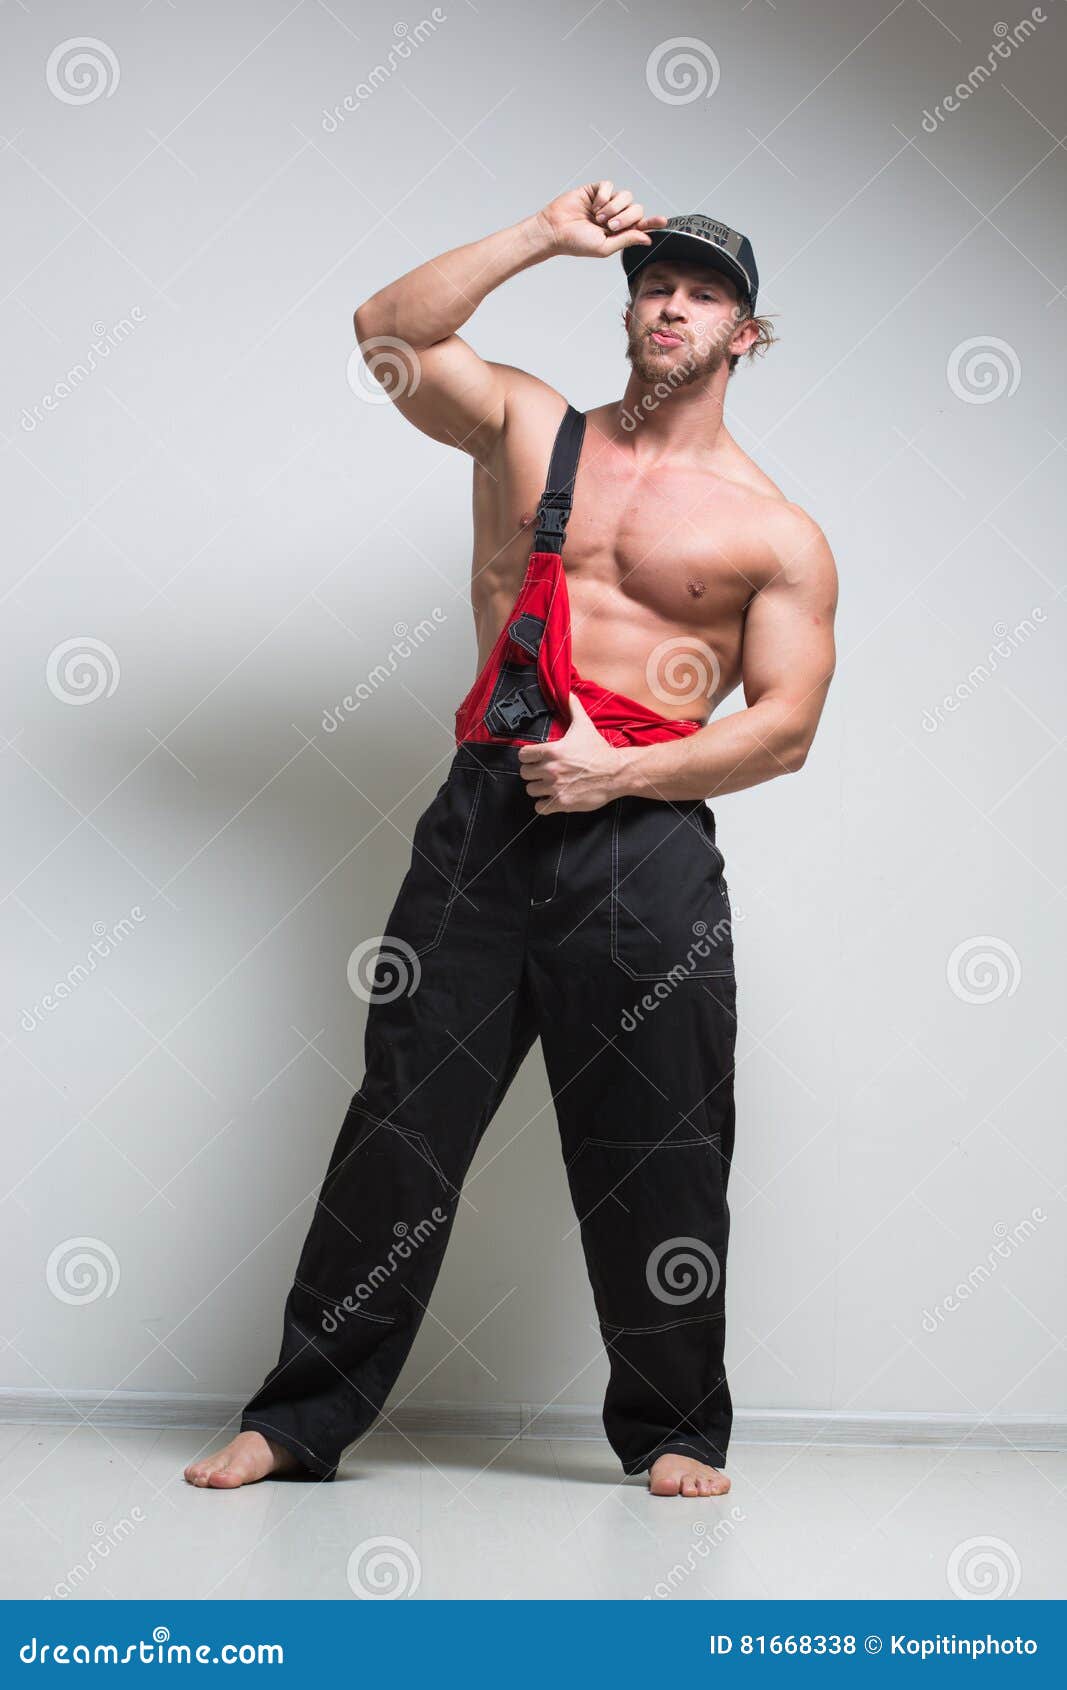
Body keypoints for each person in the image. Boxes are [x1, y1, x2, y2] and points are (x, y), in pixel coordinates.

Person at [185, 183, 838, 1499]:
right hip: (485, 817)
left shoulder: (776, 532)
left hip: (642, 838)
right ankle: (299, 1417)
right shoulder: (534, 425)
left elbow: (782, 731)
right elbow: (390, 331)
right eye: (655, 281)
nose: (671, 303)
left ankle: (673, 1431)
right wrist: (541, 235)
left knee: (662, 1137)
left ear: (747, 335)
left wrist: (627, 768)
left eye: (703, 291)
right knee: (402, 1121)